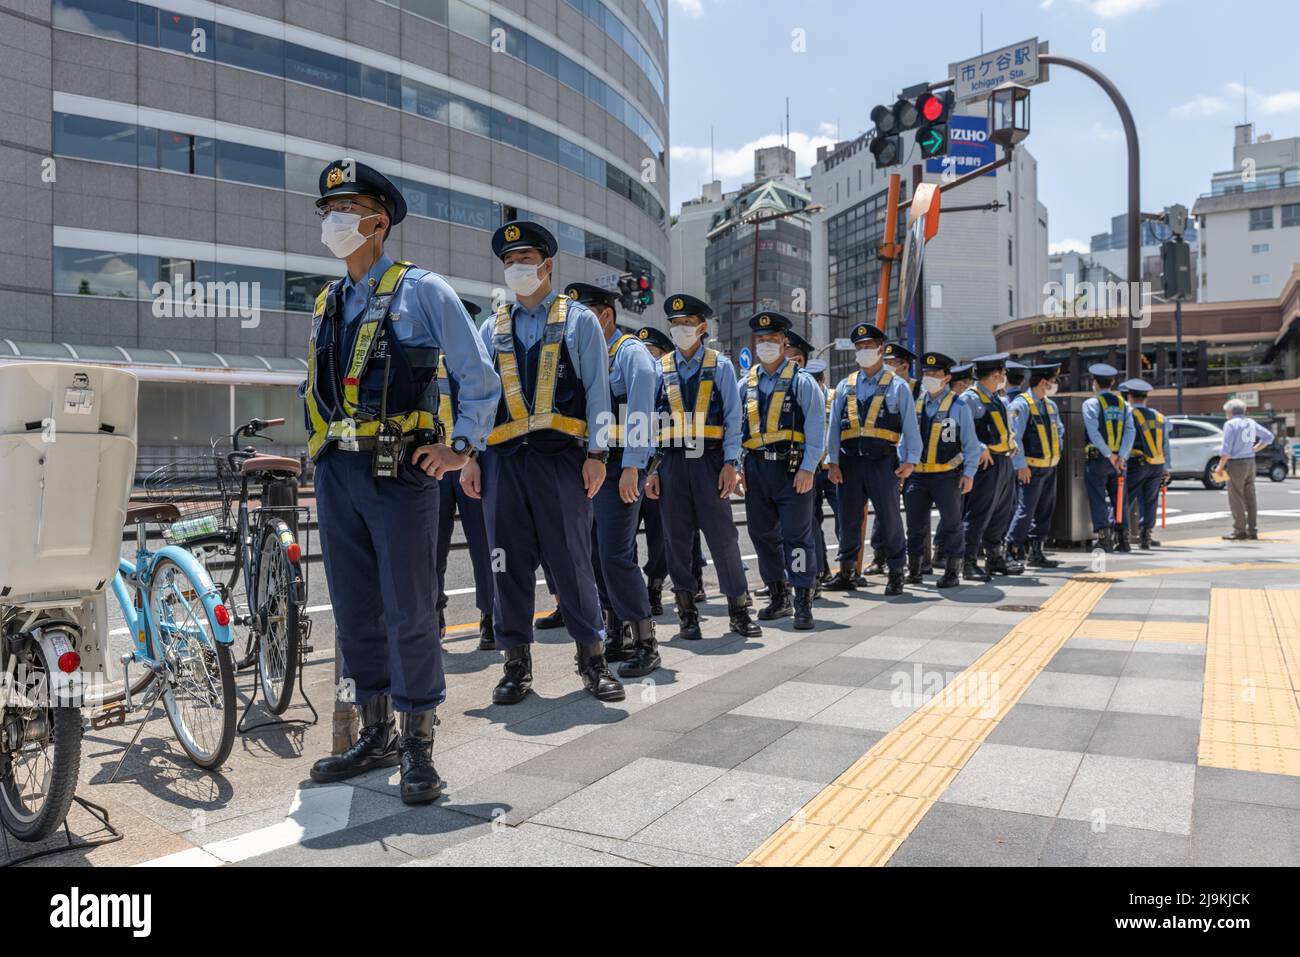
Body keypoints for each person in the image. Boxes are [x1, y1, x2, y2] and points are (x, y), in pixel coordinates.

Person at [304, 159, 500, 805]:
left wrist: (461, 446)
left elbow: (479, 377)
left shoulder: (424, 290)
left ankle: (419, 745)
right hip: (340, 471)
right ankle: (377, 732)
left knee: (411, 609)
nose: (332, 220)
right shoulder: (329, 300)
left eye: (345, 209)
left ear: (377, 221)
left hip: (402, 469)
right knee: (356, 611)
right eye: (326, 209)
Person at [460, 220, 623, 705]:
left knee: (572, 561)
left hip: (561, 463)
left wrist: (598, 454)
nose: (516, 269)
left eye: (524, 261)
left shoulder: (579, 321)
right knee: (504, 563)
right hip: (503, 464)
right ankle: (515, 666)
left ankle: (593, 661)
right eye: (509, 263)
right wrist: (471, 456)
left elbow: (597, 392)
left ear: (547, 265)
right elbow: (483, 397)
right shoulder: (493, 326)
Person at [644, 294, 761, 640]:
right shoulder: (660, 368)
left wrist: (731, 463)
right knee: (675, 540)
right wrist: (651, 469)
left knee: (723, 537)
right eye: (675, 324)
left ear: (702, 327)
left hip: (709, 463)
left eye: (686, 324)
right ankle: (687, 614)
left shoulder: (720, 365)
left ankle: (739, 611)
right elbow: (651, 421)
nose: (680, 329)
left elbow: (734, 418)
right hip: (670, 464)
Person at [565, 283, 661, 677]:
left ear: (605, 315)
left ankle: (646, 641)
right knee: (593, 554)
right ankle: (616, 633)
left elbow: (640, 413)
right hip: (592, 466)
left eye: (584, 314)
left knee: (616, 555)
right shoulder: (590, 355)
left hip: (622, 466)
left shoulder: (631, 354)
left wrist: (634, 469)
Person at [738, 312, 826, 629]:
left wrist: (808, 469)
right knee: (761, 535)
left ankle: (803, 598)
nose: (766, 345)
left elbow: (818, 430)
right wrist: (737, 467)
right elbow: (736, 430)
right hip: (756, 469)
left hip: (792, 471)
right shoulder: (745, 384)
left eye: (772, 340)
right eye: (761, 340)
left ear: (784, 342)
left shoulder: (802, 381)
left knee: (797, 537)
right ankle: (778, 596)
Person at [824, 323, 921, 597]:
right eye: (860, 348)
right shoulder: (845, 385)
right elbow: (834, 428)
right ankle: (847, 572)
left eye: (869, 347)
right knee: (848, 520)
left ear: (881, 349)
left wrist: (911, 460)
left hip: (883, 463)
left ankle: (896, 572)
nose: (864, 352)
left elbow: (911, 428)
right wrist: (833, 462)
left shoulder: (897, 387)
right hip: (850, 463)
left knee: (890, 519)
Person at [432, 298, 497, 651]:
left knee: (483, 547)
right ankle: (434, 614)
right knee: (431, 549)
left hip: (472, 464)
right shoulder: (428, 362)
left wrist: (470, 457)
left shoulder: (476, 365)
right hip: (435, 469)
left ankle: (490, 616)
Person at [633, 326, 706, 615]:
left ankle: (656, 586)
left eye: (651, 354)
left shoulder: (671, 390)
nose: (645, 361)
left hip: (662, 469)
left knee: (663, 533)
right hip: (628, 467)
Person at [900, 352, 981, 588]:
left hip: (947, 475)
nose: (929, 377)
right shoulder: (916, 403)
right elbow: (905, 438)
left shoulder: (959, 405)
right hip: (917, 475)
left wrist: (969, 473)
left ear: (946, 378)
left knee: (952, 524)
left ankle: (952, 571)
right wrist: (903, 462)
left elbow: (970, 444)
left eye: (935, 374)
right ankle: (915, 569)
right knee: (915, 526)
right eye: (926, 373)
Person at [959, 354, 1023, 580]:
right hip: (985, 464)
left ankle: (995, 558)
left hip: (1003, 461)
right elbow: (960, 429)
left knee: (1002, 512)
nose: (1004, 378)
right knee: (979, 513)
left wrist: (1011, 443)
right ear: (996, 374)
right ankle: (968, 562)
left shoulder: (996, 398)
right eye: (1003, 374)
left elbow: (1005, 428)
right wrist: (979, 446)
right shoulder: (969, 398)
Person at [1006, 363, 1065, 568]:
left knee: (1044, 511)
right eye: (1053, 381)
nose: (1055, 385)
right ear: (1043, 382)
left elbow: (1059, 431)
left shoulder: (1050, 405)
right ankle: (1011, 550)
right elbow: (1014, 438)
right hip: (1029, 468)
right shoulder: (1020, 405)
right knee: (1025, 511)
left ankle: (1036, 551)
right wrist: (1020, 465)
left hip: (1049, 467)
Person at [1081, 363, 1135, 553]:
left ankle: (1104, 540)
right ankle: (1124, 539)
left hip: (1099, 459)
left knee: (1098, 498)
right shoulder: (1124, 404)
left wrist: (1108, 455)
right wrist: (1122, 457)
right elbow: (1130, 431)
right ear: (1112, 382)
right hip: (1119, 461)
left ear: (1094, 382)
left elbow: (1093, 432)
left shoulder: (1091, 404)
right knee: (1119, 497)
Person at [1120, 379, 1171, 550]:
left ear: (1130, 396)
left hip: (1136, 462)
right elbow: (1165, 443)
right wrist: (1166, 467)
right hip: (1157, 464)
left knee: (1124, 498)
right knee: (1150, 501)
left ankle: (1121, 535)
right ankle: (1146, 536)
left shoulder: (1129, 414)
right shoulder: (1159, 416)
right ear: (1146, 397)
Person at [1218, 398, 1275, 541]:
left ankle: (1239, 530)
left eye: (1226, 412)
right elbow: (1269, 437)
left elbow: (1226, 449)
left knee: (1236, 496)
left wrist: (1220, 467)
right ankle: (1252, 530)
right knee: (1250, 497)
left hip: (1236, 463)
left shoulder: (1230, 424)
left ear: (1230, 412)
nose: (1226, 414)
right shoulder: (1251, 422)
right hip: (1250, 462)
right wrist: (1255, 448)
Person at [805, 359, 840, 588]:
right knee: (812, 522)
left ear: (823, 380)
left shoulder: (835, 397)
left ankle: (849, 568)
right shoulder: (804, 395)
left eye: (818, 380)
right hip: (812, 470)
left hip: (833, 470)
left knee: (844, 520)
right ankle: (822, 570)